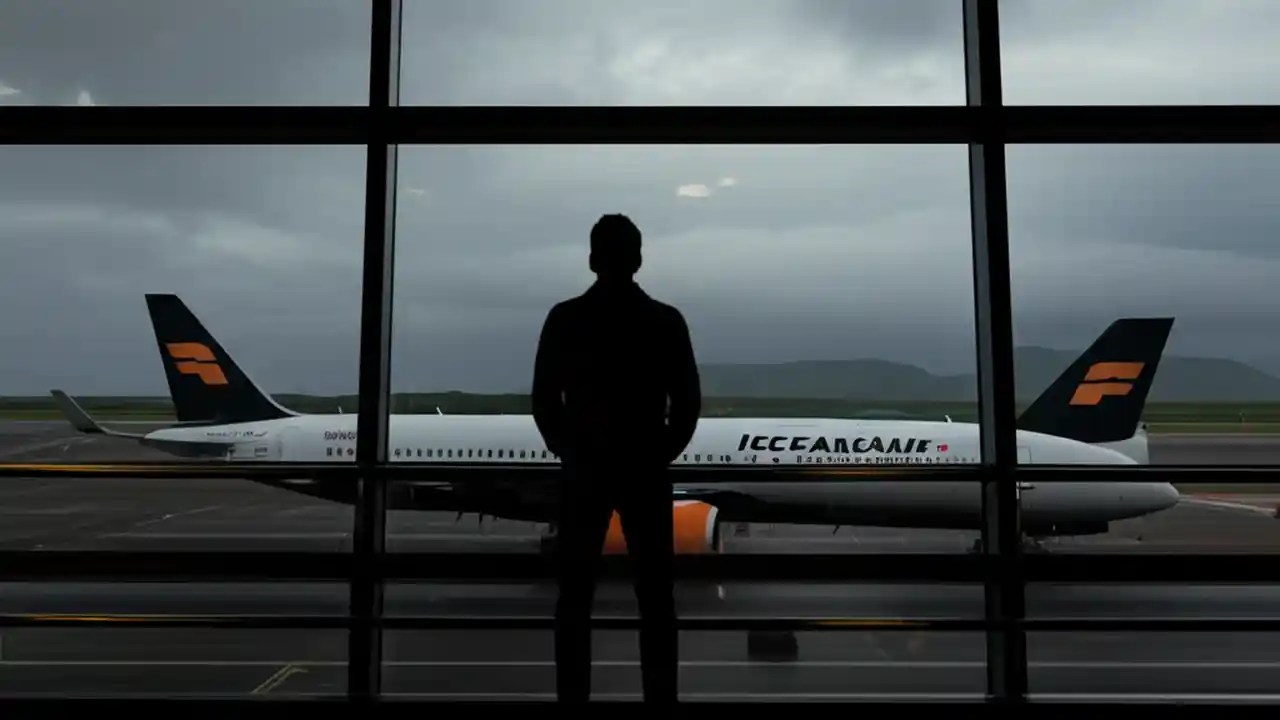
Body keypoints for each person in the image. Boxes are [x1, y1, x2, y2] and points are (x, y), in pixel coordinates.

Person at [531, 213, 701, 703]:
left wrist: (571, 452)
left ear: (591, 259)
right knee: (656, 601)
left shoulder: (565, 319)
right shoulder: (666, 321)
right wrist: (657, 454)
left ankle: (573, 699)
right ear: (639, 259)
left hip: (584, 472)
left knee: (574, 599)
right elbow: (687, 405)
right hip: (644, 472)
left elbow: (544, 401)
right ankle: (659, 697)